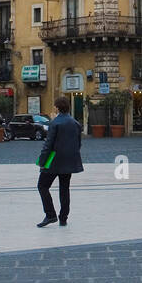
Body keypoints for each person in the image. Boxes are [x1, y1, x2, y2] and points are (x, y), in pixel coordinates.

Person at [36, 96, 84, 228]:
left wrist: (42, 160)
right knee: (64, 189)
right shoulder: (75, 123)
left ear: (57, 108)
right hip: (69, 161)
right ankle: (63, 218)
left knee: (42, 186)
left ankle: (50, 214)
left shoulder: (55, 123)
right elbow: (78, 144)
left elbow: (48, 144)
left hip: (53, 161)